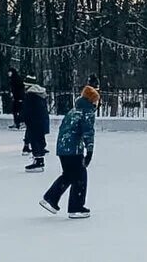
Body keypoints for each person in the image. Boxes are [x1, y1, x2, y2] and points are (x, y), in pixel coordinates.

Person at [40, 86, 100, 218]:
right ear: (92, 100)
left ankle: (50, 198)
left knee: (69, 175)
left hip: (63, 148)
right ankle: (75, 207)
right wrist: (89, 151)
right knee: (80, 176)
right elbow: (88, 132)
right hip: (73, 149)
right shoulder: (87, 111)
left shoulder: (74, 110)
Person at [22, 75, 50, 172]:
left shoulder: (30, 95)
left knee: (35, 141)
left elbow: (27, 110)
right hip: (41, 121)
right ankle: (39, 159)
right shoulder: (40, 94)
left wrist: (24, 119)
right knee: (39, 139)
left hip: (34, 122)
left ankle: (38, 160)